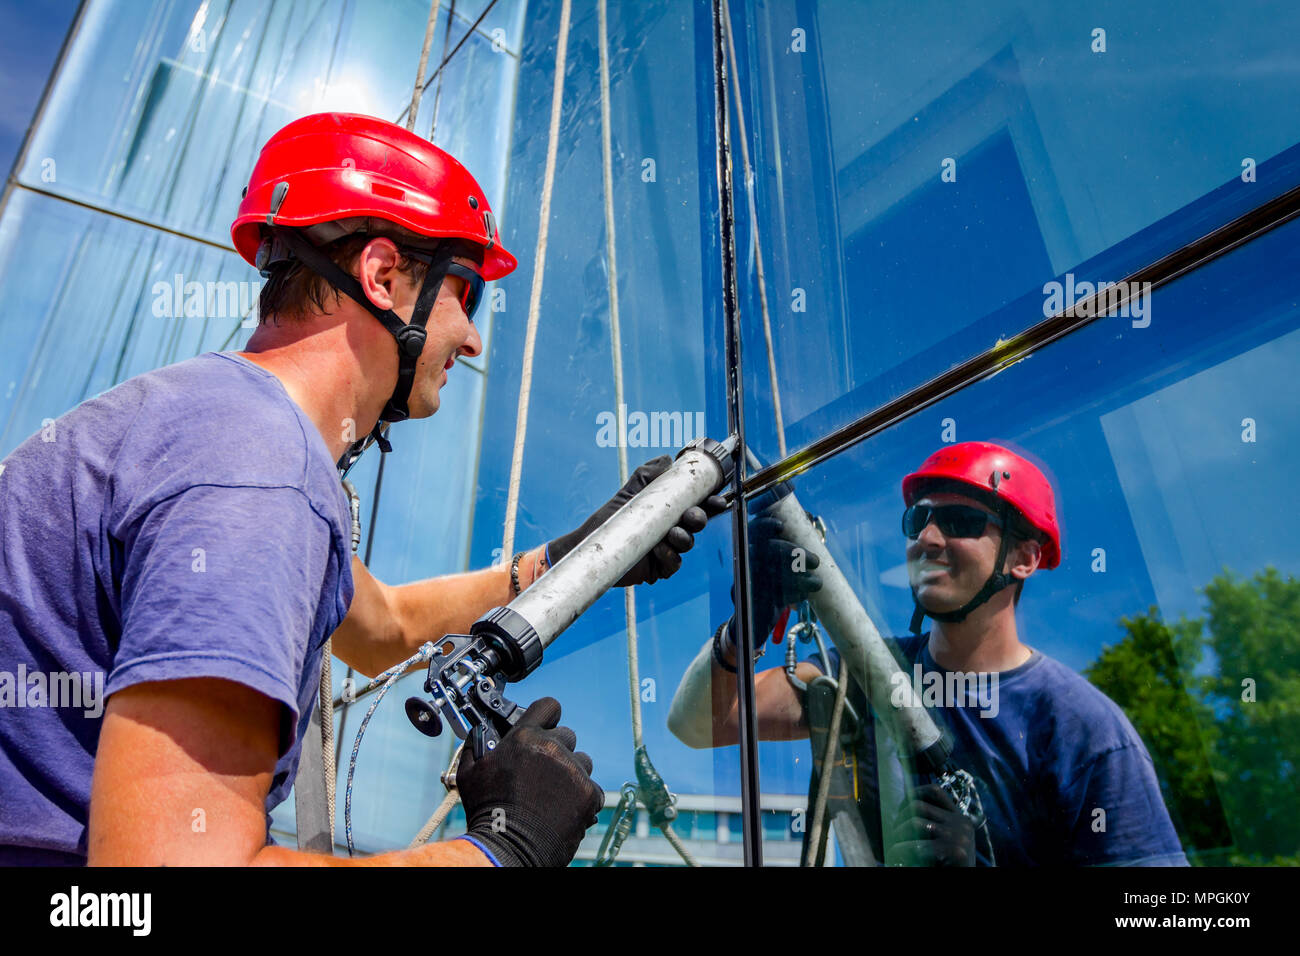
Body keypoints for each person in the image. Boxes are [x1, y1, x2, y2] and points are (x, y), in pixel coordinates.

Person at [0, 113, 721, 867]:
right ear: (381, 277)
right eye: (464, 294)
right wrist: (500, 851)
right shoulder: (258, 472)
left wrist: (576, 560)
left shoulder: (208, 424)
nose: (473, 340)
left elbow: (384, 626)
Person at [668, 441, 1188, 866]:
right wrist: (747, 628)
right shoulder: (866, 670)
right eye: (918, 520)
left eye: (960, 521)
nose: (928, 538)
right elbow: (696, 724)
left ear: (1026, 557)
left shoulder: (1084, 730)